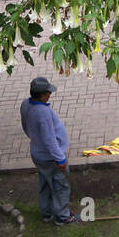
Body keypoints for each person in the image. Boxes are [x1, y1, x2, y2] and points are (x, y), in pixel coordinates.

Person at [19, 76, 82, 224]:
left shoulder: (25, 104)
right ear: (41, 96)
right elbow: (49, 139)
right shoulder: (42, 113)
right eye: (48, 93)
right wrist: (60, 158)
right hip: (50, 157)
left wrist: (35, 139)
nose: (50, 95)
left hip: (37, 153)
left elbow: (25, 126)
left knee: (46, 183)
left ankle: (47, 213)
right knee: (60, 186)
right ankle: (63, 216)